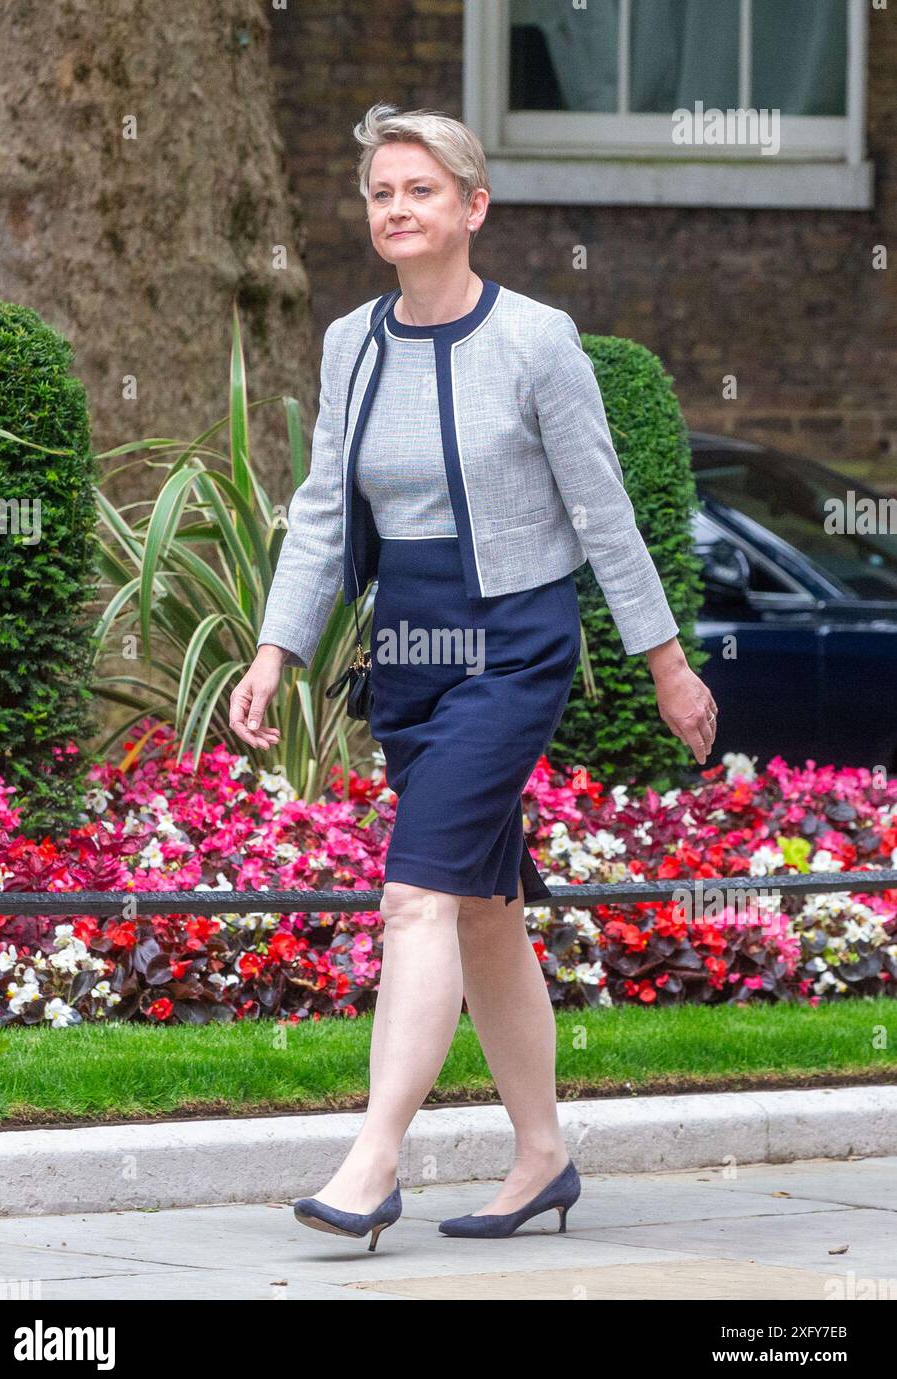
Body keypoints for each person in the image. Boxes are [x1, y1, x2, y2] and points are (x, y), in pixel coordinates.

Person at [230, 102, 717, 1246]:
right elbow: (320, 513)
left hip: (516, 643)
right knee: (486, 913)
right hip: (408, 646)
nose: (396, 209)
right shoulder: (351, 341)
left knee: (418, 893)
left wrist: (667, 663)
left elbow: (605, 515)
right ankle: (542, 1153)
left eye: (420, 190)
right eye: (380, 193)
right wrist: (273, 647)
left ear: (473, 207)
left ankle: (371, 1160)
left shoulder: (537, 340)